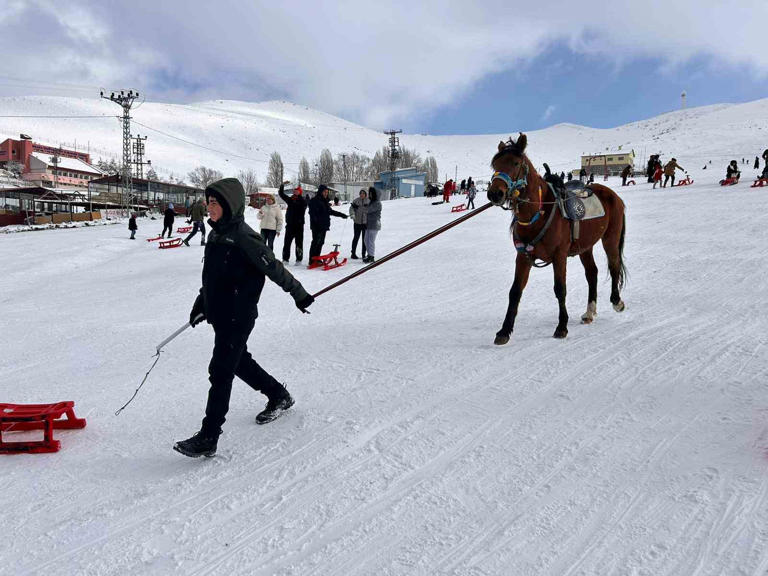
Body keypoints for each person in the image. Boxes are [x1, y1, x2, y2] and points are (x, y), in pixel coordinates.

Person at [174, 178, 314, 458]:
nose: (209, 207)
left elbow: (274, 267)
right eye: (208, 202)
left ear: (228, 205)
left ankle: (209, 435)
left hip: (239, 314)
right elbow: (211, 278)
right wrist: (201, 304)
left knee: (221, 369)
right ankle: (278, 395)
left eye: (215, 203)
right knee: (238, 362)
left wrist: (299, 293)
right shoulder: (216, 234)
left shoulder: (243, 236)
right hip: (221, 313)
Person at [308, 184, 348, 263]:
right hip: (317, 226)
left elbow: (330, 211)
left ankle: (317, 258)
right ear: (320, 192)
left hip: (324, 225)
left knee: (321, 243)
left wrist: (341, 215)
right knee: (315, 242)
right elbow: (312, 213)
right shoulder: (314, 200)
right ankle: (312, 260)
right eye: (324, 192)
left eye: (327, 192)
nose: (326, 193)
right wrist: (316, 222)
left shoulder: (325, 201)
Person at [278, 182, 307, 264]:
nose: (294, 192)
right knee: (287, 243)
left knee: (299, 243)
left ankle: (299, 259)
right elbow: (281, 194)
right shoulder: (290, 199)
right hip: (290, 225)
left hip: (299, 225)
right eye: (294, 191)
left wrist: (298, 198)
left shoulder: (302, 201)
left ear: (300, 192)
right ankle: (285, 259)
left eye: (297, 191)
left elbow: (304, 205)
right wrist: (282, 186)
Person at [363, 187, 381, 264]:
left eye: (371, 193)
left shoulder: (377, 203)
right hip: (369, 224)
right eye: (369, 193)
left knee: (370, 241)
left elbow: (368, 210)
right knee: (366, 240)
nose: (370, 195)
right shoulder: (372, 202)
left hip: (374, 224)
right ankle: (369, 254)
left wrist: (364, 207)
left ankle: (371, 256)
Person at [349, 189, 368, 259]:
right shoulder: (356, 201)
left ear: (366, 194)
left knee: (364, 239)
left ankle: (363, 254)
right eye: (361, 193)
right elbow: (351, 209)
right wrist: (352, 214)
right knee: (356, 238)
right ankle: (353, 253)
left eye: (363, 193)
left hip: (365, 223)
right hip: (357, 223)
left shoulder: (369, 201)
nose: (362, 194)